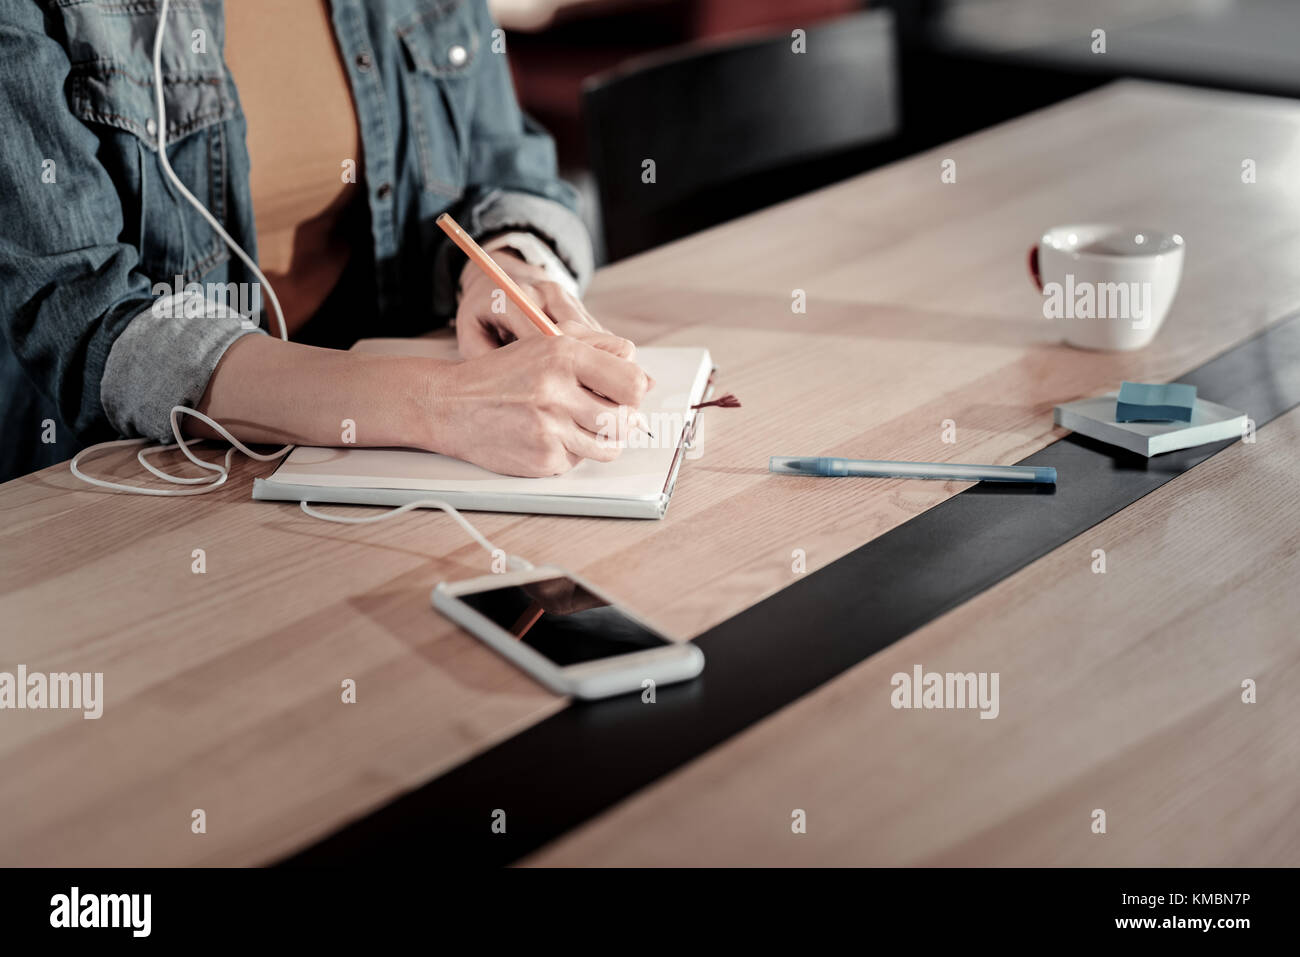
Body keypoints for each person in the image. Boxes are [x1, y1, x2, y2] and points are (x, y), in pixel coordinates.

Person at [0, 0, 648, 483]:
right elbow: (77, 317)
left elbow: (510, 167)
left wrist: (504, 265)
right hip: (134, 481)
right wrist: (441, 405)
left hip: (388, 454)